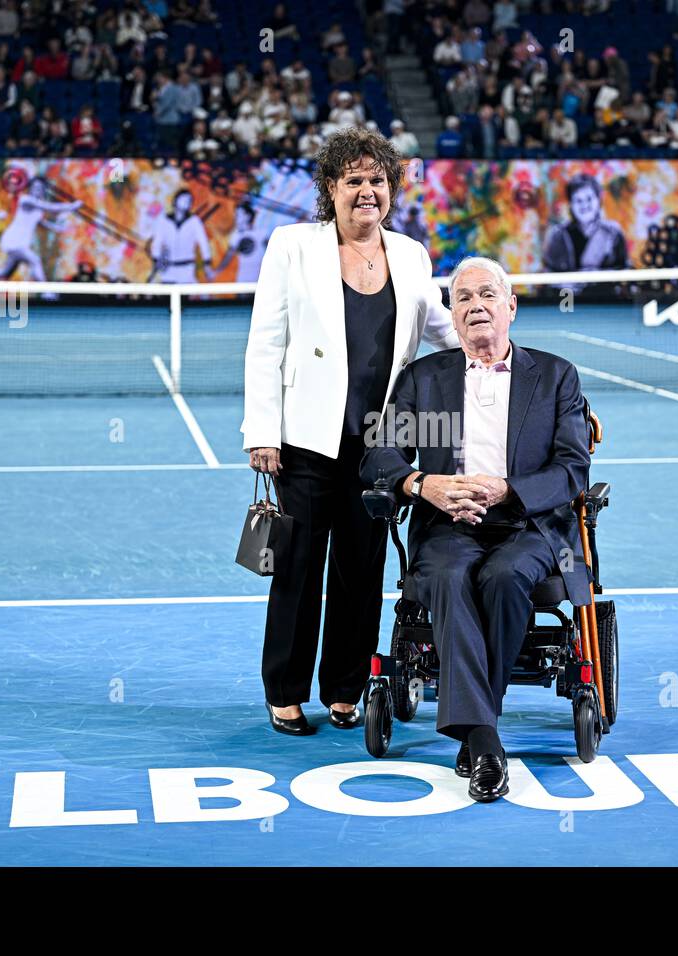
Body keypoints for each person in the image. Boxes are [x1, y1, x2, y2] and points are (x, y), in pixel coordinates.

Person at [242, 127, 460, 736]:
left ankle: (345, 687)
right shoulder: (291, 246)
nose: (367, 192)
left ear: (390, 189)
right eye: (354, 181)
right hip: (305, 441)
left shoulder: (412, 255)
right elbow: (266, 343)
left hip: (380, 449)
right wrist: (262, 429)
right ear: (330, 188)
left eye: (377, 181)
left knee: (361, 575)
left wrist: (501, 358)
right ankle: (285, 691)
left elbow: (443, 332)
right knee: (298, 569)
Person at [359, 256, 591, 802]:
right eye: (463, 298)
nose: (476, 305)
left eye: (488, 294)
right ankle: (485, 738)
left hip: (529, 526)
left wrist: (509, 490)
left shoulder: (557, 376)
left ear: (511, 307)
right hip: (448, 522)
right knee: (447, 576)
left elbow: (572, 469)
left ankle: (474, 729)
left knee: (504, 577)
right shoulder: (424, 377)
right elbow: (380, 453)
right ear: (453, 316)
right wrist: (423, 484)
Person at [0, 178, 81, 281]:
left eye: (40, 188)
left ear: (43, 190)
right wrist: (71, 206)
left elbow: (42, 223)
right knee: (35, 260)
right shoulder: (26, 199)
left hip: (22, 242)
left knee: (5, 272)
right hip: (14, 240)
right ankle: (46, 292)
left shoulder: (38, 208)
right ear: (30, 188)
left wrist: (58, 228)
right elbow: (49, 207)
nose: (37, 190)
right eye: (35, 187)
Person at [542, 173, 629, 272]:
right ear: (571, 205)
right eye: (578, 200)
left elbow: (624, 271)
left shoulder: (613, 233)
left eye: (589, 199)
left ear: (598, 200)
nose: (584, 205)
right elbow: (548, 273)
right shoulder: (558, 235)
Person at [151, 189, 211, 282]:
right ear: (175, 201)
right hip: (168, 270)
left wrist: (207, 262)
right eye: (183, 199)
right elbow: (157, 242)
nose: (186, 202)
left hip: (187, 269)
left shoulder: (194, 221)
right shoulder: (164, 220)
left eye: (188, 200)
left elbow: (203, 242)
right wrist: (156, 259)